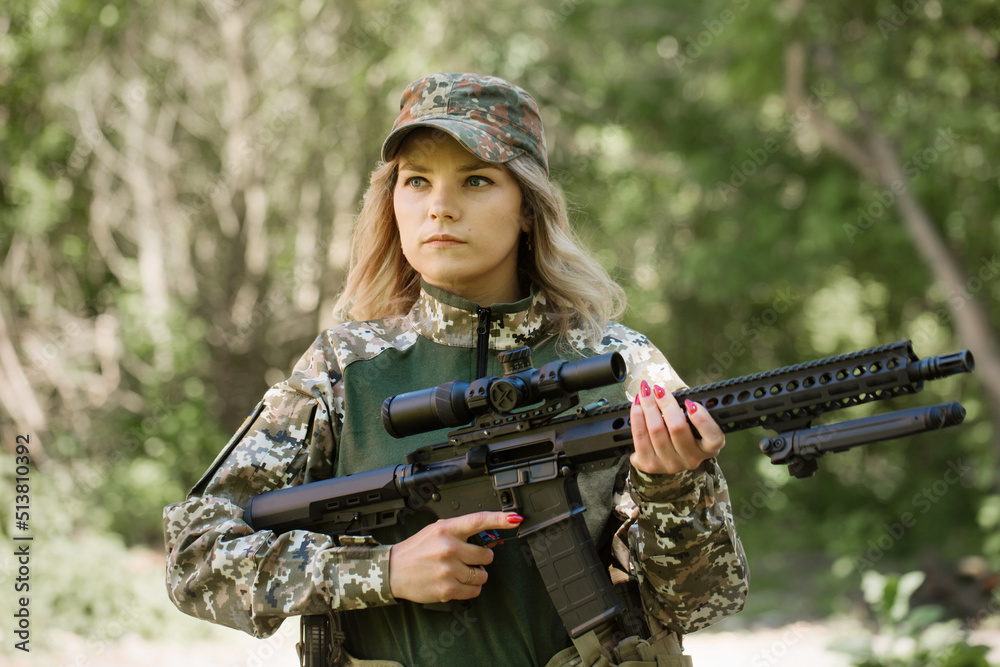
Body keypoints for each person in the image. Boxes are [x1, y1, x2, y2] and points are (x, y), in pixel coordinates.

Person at [164, 72, 748, 667]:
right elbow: (195, 557)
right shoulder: (343, 369)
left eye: (476, 180)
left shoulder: (617, 362)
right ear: (391, 201)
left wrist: (674, 486)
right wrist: (384, 571)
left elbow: (705, 601)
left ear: (527, 207)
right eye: (417, 181)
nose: (440, 207)